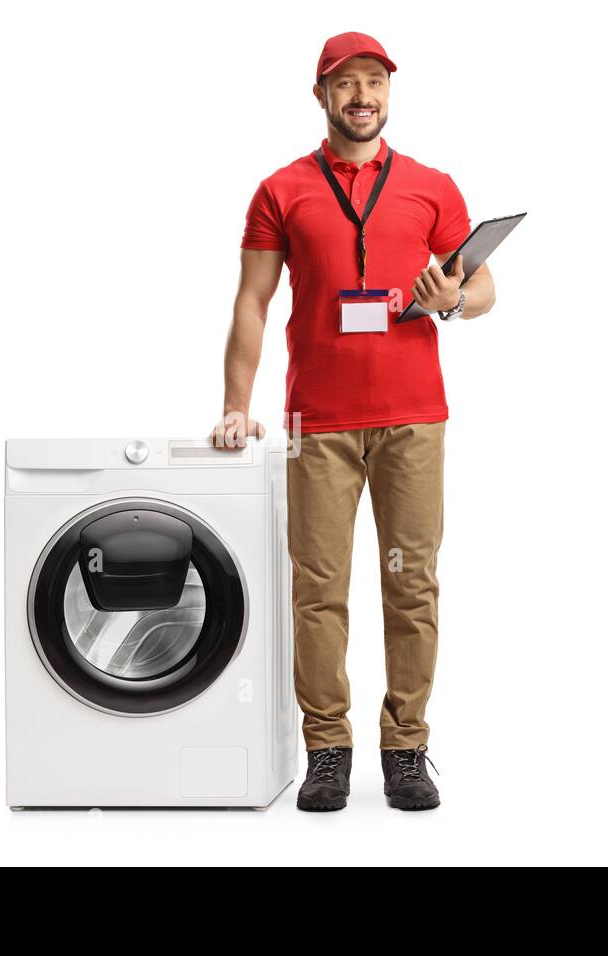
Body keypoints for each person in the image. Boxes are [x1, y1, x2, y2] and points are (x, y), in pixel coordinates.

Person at [210, 32, 497, 811]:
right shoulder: (281, 190)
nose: (362, 95)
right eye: (346, 84)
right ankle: (327, 748)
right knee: (319, 589)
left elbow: (484, 288)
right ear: (322, 95)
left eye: (374, 82)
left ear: (389, 94)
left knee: (412, 586)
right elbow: (252, 302)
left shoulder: (433, 188)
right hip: (319, 423)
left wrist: (453, 301)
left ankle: (406, 748)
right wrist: (237, 407)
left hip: (413, 421)